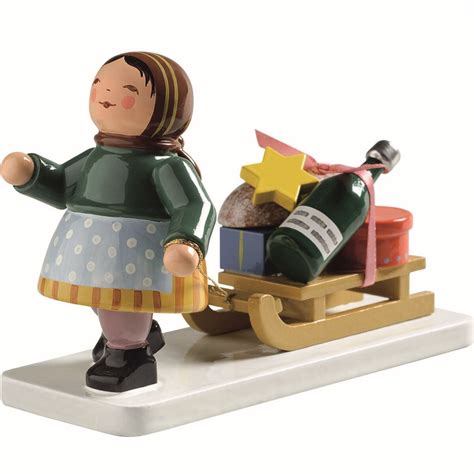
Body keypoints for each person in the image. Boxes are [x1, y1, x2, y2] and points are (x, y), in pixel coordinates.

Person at [0, 52, 216, 392]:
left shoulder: (166, 165)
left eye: (126, 92)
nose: (106, 97)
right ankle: (134, 333)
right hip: (93, 245)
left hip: (141, 250)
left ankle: (130, 355)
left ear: (165, 111)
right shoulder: (97, 157)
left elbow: (195, 204)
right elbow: (63, 186)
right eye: (99, 87)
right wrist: (32, 174)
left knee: (120, 298)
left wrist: (186, 239)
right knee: (102, 295)